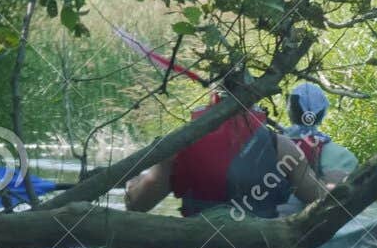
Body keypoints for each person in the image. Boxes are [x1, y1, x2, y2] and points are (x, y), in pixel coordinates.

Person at [124, 83, 354, 219]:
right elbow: (319, 200)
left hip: (196, 244)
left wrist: (132, 185)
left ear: (211, 104)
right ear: (253, 105)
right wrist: (333, 183)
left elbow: (138, 205)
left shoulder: (177, 145)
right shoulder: (282, 147)